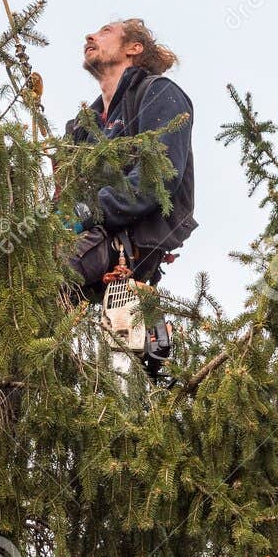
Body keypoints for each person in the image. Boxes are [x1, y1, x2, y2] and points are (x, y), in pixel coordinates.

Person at [63, 20, 197, 373]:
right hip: (94, 236)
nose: (89, 36)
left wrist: (87, 212)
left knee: (46, 275)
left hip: (132, 236)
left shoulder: (157, 93)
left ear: (133, 48)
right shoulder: (83, 126)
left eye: (105, 31)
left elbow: (158, 176)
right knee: (21, 273)